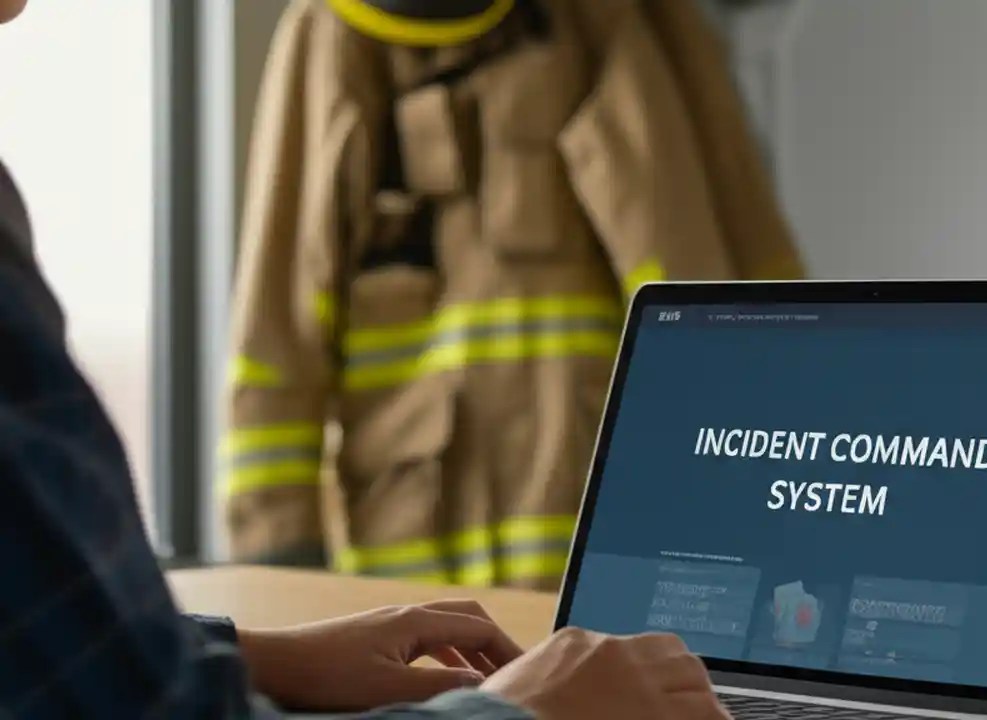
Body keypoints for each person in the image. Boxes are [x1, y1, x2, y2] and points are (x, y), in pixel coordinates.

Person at [0, 4, 729, 719]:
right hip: (421, 530)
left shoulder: (603, 25)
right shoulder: (330, 41)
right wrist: (515, 714)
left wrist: (264, 654)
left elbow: (58, 651)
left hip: (550, 545)